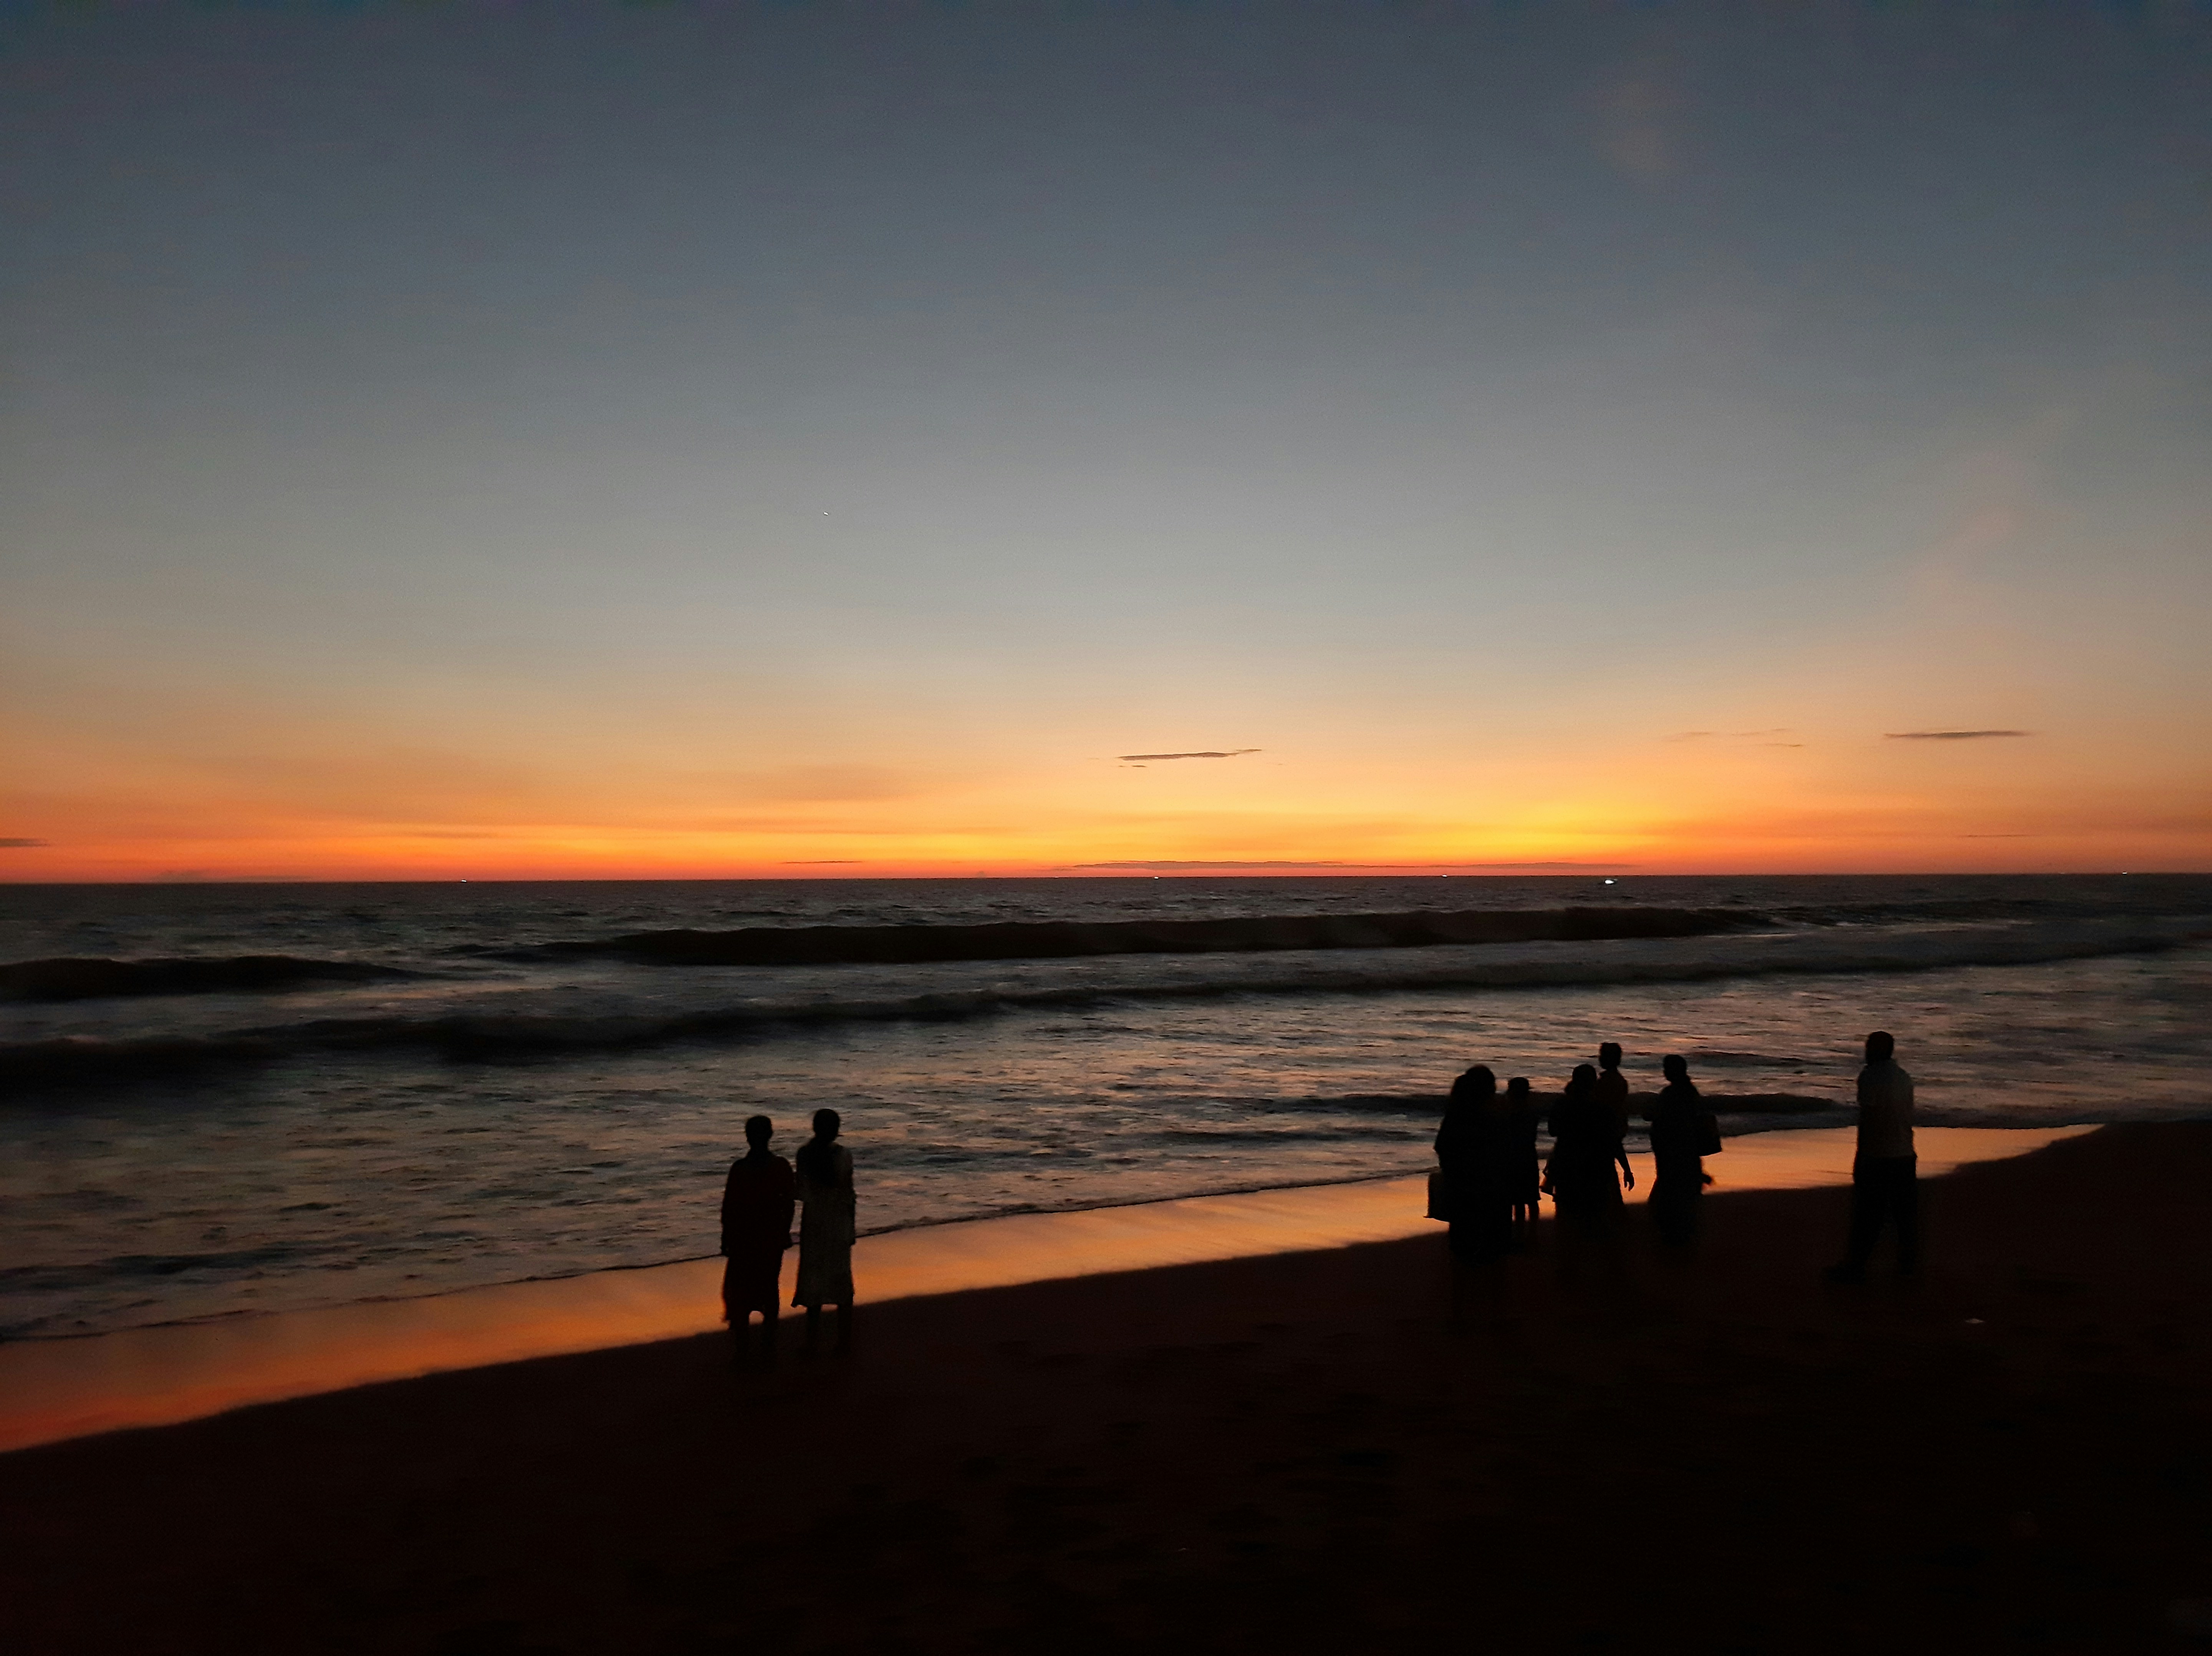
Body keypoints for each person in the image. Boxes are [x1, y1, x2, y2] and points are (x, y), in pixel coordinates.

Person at [1826, 1031, 1917, 1283]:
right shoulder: (1903, 1077)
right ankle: (1908, 1267)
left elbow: (1869, 1118)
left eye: (1869, 1047)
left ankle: (1856, 1267)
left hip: (1878, 1154)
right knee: (1903, 1216)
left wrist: (1862, 1154)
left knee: (1867, 1215)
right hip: (1904, 1152)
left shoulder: (1871, 1077)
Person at [1544, 1064, 1634, 1281]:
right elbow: (1613, 1142)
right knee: (1599, 1218)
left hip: (1568, 1166)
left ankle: (1569, 1269)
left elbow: (1553, 1130)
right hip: (1597, 1168)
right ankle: (1611, 1269)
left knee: (1568, 1219)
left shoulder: (1563, 1105)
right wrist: (1626, 1168)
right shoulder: (1603, 1109)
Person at [719, 1114, 796, 1366]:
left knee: (739, 1294)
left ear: (748, 1137)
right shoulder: (781, 1167)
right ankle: (767, 1348)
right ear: (771, 1135)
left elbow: (729, 1208)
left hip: (745, 1240)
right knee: (768, 1290)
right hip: (769, 1239)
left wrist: (726, 1237)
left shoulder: (740, 1169)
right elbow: (789, 1204)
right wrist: (785, 1232)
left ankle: (744, 1351)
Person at [1434, 1066, 1514, 1262]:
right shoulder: (1492, 1115)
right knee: (1491, 1241)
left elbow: (1442, 1146)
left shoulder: (1457, 1112)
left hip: (1463, 1181)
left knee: (1464, 1238)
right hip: (1487, 1183)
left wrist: (1452, 1171)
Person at [793, 1106, 858, 1349]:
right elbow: (848, 1194)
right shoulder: (843, 1156)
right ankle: (843, 1341)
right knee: (842, 1282)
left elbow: (801, 1192)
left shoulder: (804, 1154)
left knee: (813, 1282)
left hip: (815, 1223)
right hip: (838, 1222)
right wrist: (851, 1228)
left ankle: (812, 1341)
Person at [1645, 1054, 1712, 1247]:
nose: (1664, 1072)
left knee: (1667, 1201)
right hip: (1683, 1154)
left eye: (1667, 1068)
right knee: (1680, 1200)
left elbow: (1658, 1117)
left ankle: (1675, 1242)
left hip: (1674, 1155)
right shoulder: (1689, 1092)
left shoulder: (1673, 1094)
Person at [1505, 1076, 1543, 1246]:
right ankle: (1533, 1234)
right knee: (1531, 1198)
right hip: (1528, 1155)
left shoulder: (1510, 1114)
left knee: (1518, 1200)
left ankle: (1521, 1234)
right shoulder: (1531, 1112)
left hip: (1514, 1157)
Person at [1596, 1043, 1632, 1141]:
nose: (1600, 1058)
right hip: (1616, 1126)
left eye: (1603, 1055)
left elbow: (1606, 1107)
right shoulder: (1619, 1080)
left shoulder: (1609, 1081)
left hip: (1608, 1128)